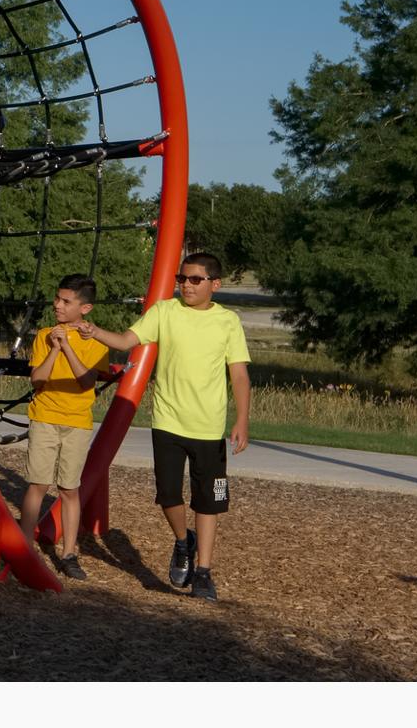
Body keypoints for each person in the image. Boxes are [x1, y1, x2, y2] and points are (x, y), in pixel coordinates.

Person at [78, 252, 250, 602]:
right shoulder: (164, 312)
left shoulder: (228, 321)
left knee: (208, 502)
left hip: (208, 429)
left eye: (195, 280)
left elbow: (240, 374)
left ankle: (203, 572)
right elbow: (127, 341)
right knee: (168, 495)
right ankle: (182, 541)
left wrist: (242, 420)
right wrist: (94, 331)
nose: (186, 285)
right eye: (181, 278)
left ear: (214, 285)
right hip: (168, 423)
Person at [18, 274, 111, 581]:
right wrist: (55, 348)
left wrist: (68, 347)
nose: (57, 304)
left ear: (85, 309)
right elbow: (37, 379)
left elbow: (86, 382)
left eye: (66, 301)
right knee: (38, 485)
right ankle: (25, 547)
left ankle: (69, 553)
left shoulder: (97, 342)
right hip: (44, 417)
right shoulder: (45, 335)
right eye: (57, 298)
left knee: (69, 489)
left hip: (76, 423)